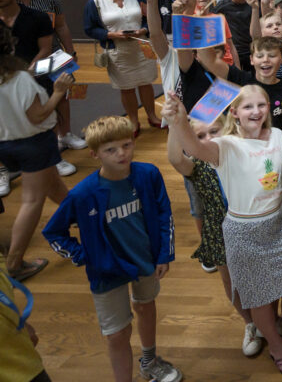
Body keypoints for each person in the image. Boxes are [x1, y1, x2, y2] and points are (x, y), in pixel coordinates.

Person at [162, 88, 282, 376]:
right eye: (247, 106)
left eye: (261, 104)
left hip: (278, 224)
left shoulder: (276, 137)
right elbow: (194, 148)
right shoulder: (225, 146)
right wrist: (178, 122)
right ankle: (276, 346)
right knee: (260, 297)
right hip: (244, 232)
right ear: (234, 112)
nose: (256, 111)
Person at [42, 116, 182, 382]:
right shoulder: (83, 194)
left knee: (146, 306)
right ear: (94, 154)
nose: (122, 153)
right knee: (117, 333)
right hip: (106, 273)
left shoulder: (149, 174)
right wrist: (85, 256)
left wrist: (164, 254)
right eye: (111, 150)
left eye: (127, 145)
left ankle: (150, 360)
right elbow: (53, 232)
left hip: (146, 260)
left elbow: (164, 213)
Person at [163, 88, 261, 356]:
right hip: (220, 233)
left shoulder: (237, 152)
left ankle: (268, 320)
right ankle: (250, 323)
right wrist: (175, 124)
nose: (207, 139)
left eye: (213, 132)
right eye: (199, 136)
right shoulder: (195, 165)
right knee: (232, 283)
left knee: (259, 277)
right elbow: (174, 158)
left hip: (251, 227)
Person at [0, 22, 73, 281]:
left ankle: (79, 214)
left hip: (7, 144)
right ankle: (15, 264)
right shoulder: (19, 79)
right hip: (33, 143)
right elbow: (38, 115)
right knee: (32, 201)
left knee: (52, 183)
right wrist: (58, 92)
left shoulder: (16, 79)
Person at [4, 0, 85, 154]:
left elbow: (61, 26)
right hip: (20, 62)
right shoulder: (6, 5)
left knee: (62, 95)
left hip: (53, 57)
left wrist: (70, 52)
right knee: (38, 99)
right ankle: (52, 142)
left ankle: (65, 134)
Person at [82, 0, 158, 135]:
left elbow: (149, 16)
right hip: (117, 50)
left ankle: (152, 116)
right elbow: (90, 28)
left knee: (146, 83)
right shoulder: (95, 2)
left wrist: (144, 30)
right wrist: (111, 34)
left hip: (141, 46)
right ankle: (132, 120)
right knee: (127, 87)